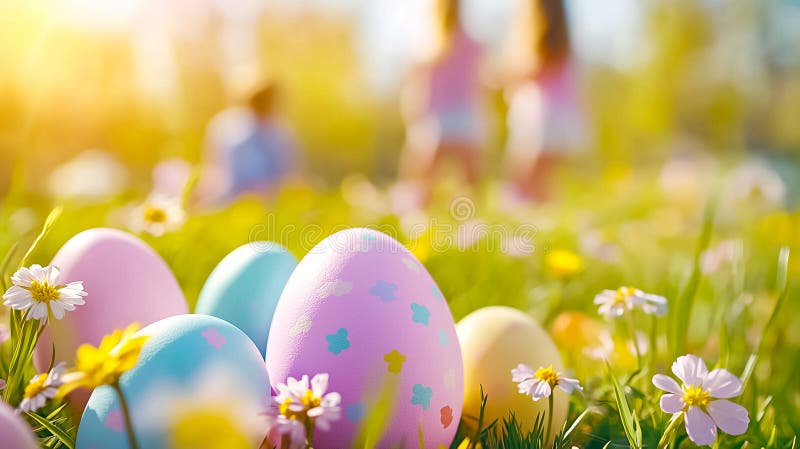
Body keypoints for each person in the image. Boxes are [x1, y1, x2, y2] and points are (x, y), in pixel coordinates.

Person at [397, 0, 485, 207]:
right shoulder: (467, 45)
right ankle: (470, 219)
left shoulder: (427, 47)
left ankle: (416, 213)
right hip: (459, 118)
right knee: (467, 181)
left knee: (425, 178)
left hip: (441, 119)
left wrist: (412, 113)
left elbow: (417, 88)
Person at [503, 0, 587, 201]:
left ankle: (526, 223)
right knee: (539, 183)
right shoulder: (563, 43)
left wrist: (502, 78)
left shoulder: (545, 44)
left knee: (522, 182)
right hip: (560, 118)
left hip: (543, 119)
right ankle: (543, 220)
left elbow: (533, 70)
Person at [201, 80, 301, 203]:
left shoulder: (280, 131)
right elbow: (227, 177)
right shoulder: (230, 129)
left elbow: (288, 173)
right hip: (232, 200)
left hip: (268, 200)